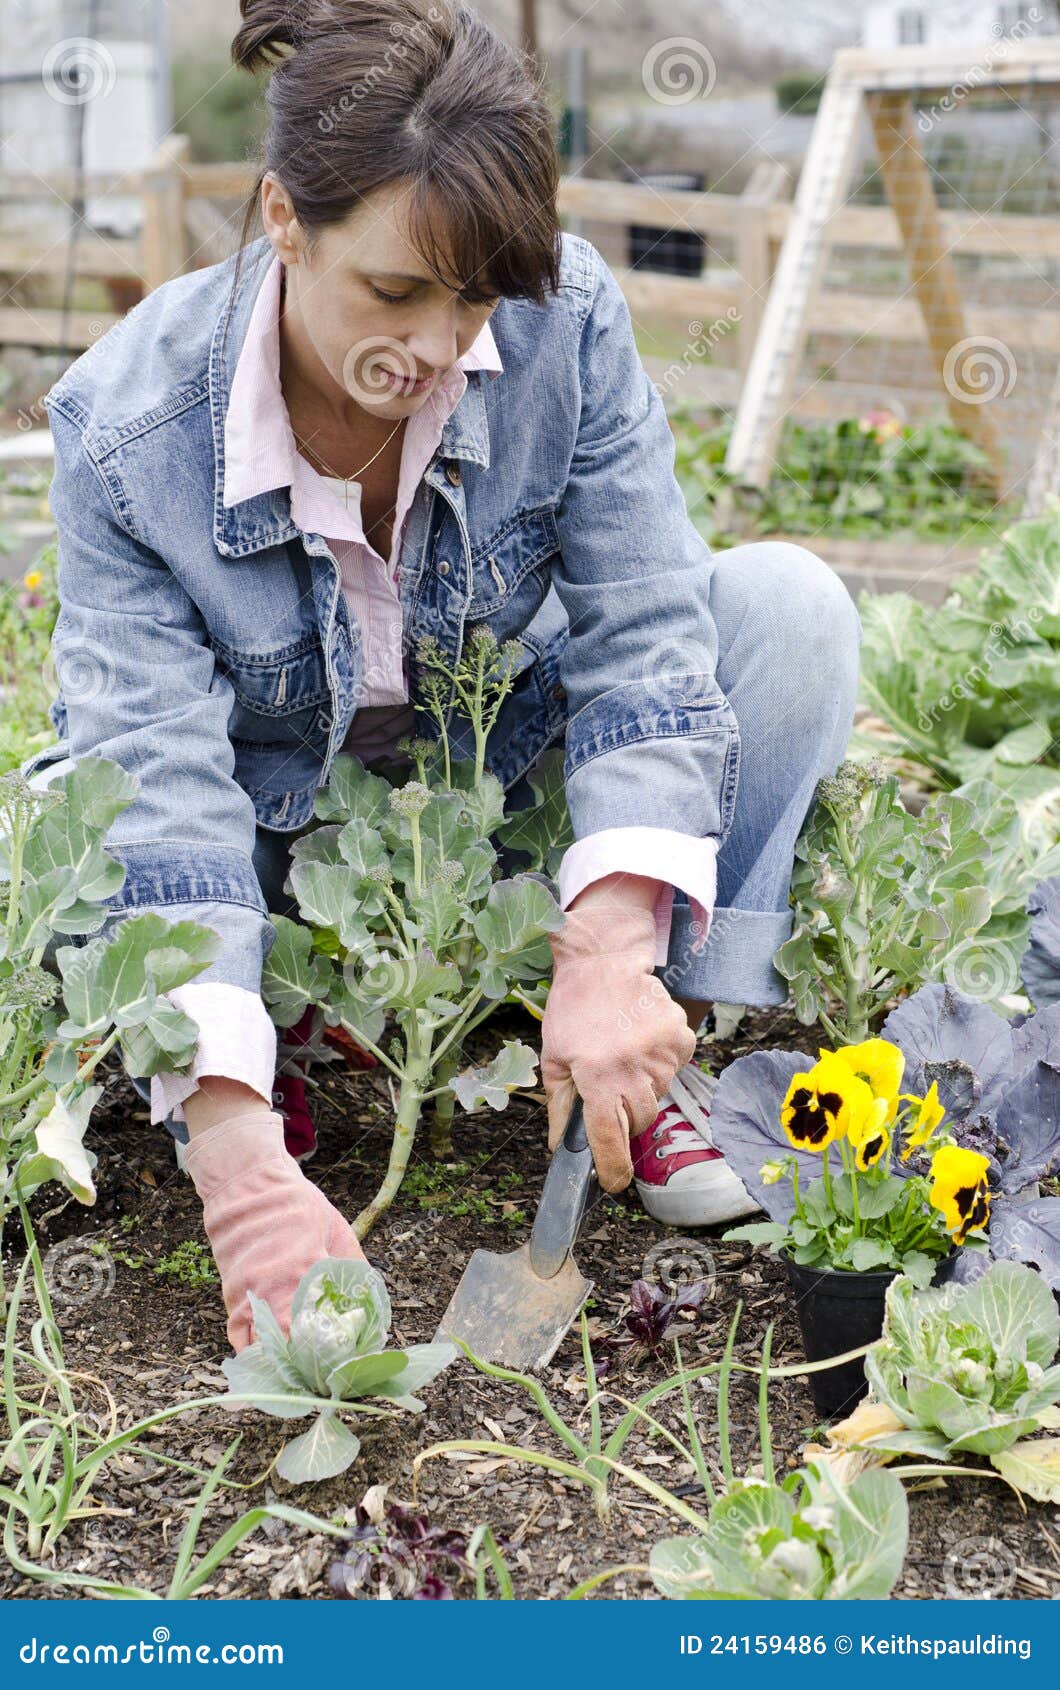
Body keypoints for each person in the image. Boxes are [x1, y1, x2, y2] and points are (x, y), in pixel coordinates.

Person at [23, 0, 860, 1352]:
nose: (437, 349)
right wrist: (237, 1184)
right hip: (270, 831)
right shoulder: (130, 432)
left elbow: (648, 629)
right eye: (398, 292)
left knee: (786, 610)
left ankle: (643, 1056)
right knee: (67, 837)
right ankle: (258, 1043)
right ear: (286, 216)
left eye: (474, 296)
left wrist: (609, 941)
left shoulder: (564, 320)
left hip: (475, 805)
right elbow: (154, 784)